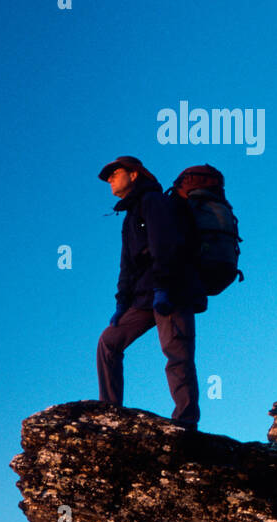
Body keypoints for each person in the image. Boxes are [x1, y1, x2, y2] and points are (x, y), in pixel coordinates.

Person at [96, 155, 207, 429]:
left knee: (177, 354)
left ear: (134, 175)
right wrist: (122, 304)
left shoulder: (154, 202)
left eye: (115, 172)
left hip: (172, 290)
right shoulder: (131, 213)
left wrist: (163, 288)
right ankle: (110, 411)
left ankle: (186, 423)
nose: (110, 178)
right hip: (145, 297)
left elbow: (165, 247)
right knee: (108, 343)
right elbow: (127, 265)